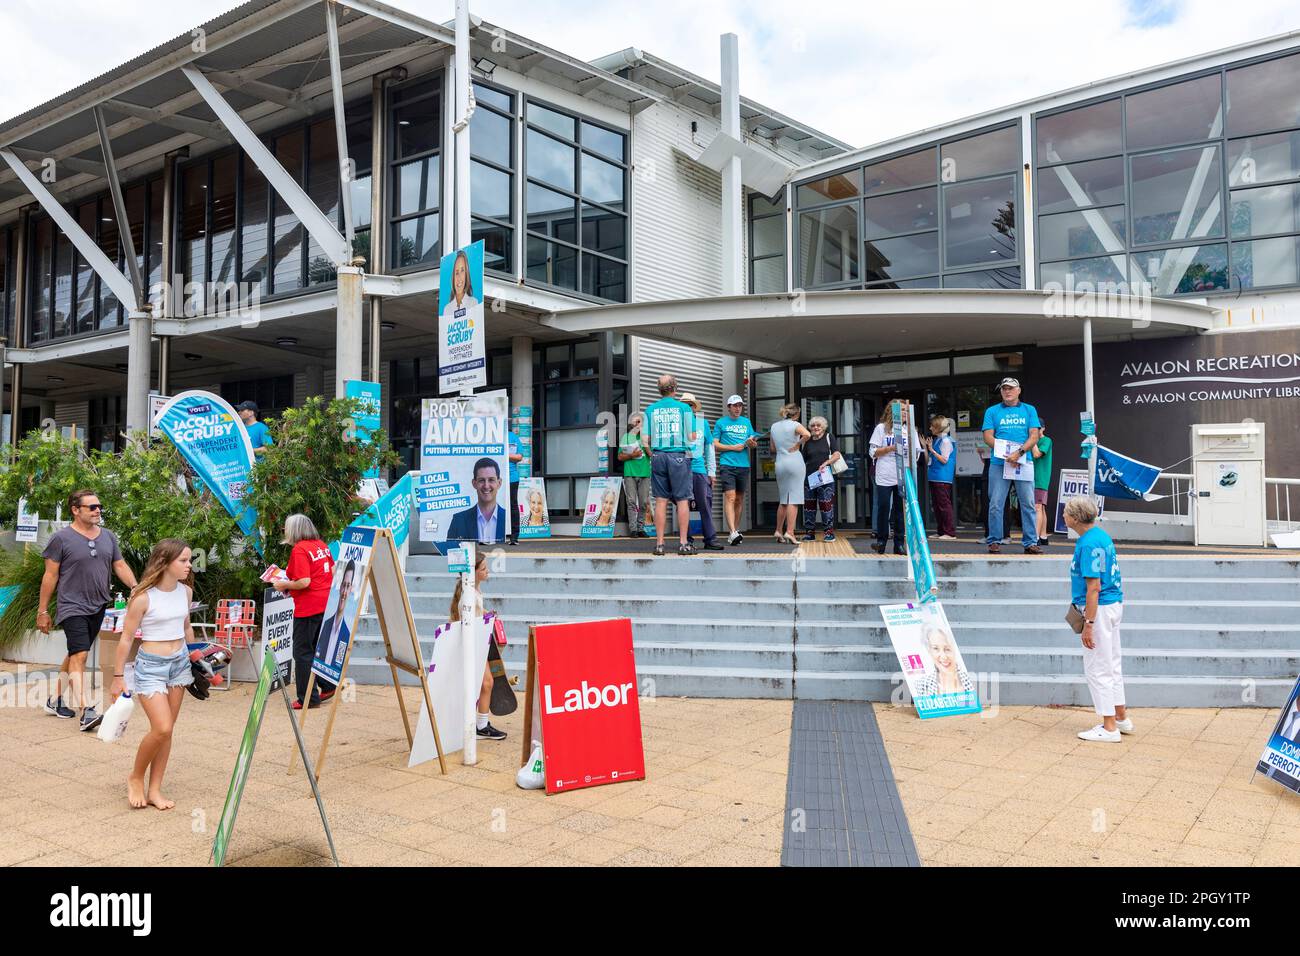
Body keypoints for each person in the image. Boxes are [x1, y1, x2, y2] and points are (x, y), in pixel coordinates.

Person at [39, 489, 137, 731]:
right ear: (75, 510)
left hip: (98, 604)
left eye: (99, 506)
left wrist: (135, 585)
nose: (97, 511)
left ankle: (55, 700)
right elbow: (50, 576)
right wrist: (42, 611)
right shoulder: (61, 539)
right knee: (81, 655)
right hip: (72, 605)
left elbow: (119, 564)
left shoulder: (108, 537)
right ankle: (86, 711)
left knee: (76, 652)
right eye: (92, 507)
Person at [109, 539, 196, 810]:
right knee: (162, 727)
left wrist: (197, 658)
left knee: (167, 733)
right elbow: (125, 639)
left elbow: (186, 627)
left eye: (189, 560)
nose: (189, 565)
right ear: (165, 562)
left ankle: (155, 789)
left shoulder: (186, 592)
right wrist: (118, 677)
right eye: (183, 560)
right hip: (151, 667)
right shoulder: (142, 597)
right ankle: (136, 776)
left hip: (180, 664)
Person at [1064, 496, 1132, 743]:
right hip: (1112, 604)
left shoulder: (1087, 544)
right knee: (1112, 663)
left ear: (1075, 518)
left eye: (1066, 512)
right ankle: (1120, 715)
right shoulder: (1100, 537)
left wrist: (1088, 624)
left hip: (1098, 609)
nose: (1063, 516)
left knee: (1097, 667)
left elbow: (1093, 586)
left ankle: (1109, 726)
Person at [273, 514, 336, 710]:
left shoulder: (300, 550)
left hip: (308, 607)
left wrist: (283, 584)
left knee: (302, 653)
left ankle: (307, 698)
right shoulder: (320, 545)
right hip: (325, 603)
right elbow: (332, 571)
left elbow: (304, 582)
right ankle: (326, 686)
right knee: (317, 648)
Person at [449, 550, 507, 741]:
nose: (487, 571)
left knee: (484, 683)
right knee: (486, 682)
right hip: (474, 643)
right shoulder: (469, 594)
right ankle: (480, 726)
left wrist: (486, 614)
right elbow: (470, 619)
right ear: (473, 573)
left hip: (478, 642)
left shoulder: (472, 591)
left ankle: (479, 724)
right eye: (483, 568)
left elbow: (475, 613)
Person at [983, 377, 1041, 555]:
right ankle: (994, 540)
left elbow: (1034, 435)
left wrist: (1019, 453)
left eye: (1011, 388)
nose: (1007, 391)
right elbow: (987, 436)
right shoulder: (992, 411)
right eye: (1004, 389)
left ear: (1018, 390)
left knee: (1028, 504)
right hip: (999, 463)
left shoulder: (1029, 410)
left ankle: (1030, 542)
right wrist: (1006, 454)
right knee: (995, 504)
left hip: (1023, 462)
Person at [644, 374, 697, 556]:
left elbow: (645, 439)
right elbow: (692, 437)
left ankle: (659, 544)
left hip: (658, 456)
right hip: (678, 456)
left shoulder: (650, 410)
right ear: (675, 387)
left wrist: (653, 454)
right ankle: (683, 543)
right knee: (682, 500)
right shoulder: (684, 408)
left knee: (660, 500)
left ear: (659, 390)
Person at [868, 404, 917, 556]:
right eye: (901, 410)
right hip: (884, 475)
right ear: (892, 411)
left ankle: (899, 544)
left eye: (906, 411)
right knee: (883, 507)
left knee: (899, 510)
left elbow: (916, 454)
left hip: (902, 475)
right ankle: (881, 541)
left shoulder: (910, 430)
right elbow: (872, 452)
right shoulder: (881, 428)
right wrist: (890, 448)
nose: (904, 414)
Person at [680, 392, 723, 551]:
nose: (687, 407)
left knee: (705, 504)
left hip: (699, 469)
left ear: (694, 407)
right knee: (682, 504)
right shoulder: (677, 423)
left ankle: (710, 539)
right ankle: (687, 540)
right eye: (684, 404)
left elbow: (709, 448)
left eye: (690, 404)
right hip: (681, 469)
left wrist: (712, 472)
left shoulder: (702, 422)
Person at [714, 394, 758, 546]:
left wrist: (752, 444)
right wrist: (732, 447)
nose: (738, 408)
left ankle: (735, 531)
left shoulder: (746, 422)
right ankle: (732, 531)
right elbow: (715, 444)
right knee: (730, 497)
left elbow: (752, 440)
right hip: (727, 464)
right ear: (729, 407)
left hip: (743, 465)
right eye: (735, 405)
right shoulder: (721, 422)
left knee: (739, 499)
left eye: (740, 405)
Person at [768, 404, 809, 544]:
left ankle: (778, 530)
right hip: (794, 461)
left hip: (780, 463)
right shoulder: (795, 425)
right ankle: (790, 532)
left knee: (784, 499)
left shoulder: (774, 426)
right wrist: (798, 444)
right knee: (794, 499)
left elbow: (772, 448)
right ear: (796, 414)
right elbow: (807, 434)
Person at [446, 458, 507, 545]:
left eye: (491, 480)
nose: (486, 486)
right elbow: (450, 553)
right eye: (481, 480)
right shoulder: (458, 520)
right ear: (474, 483)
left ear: (499, 483)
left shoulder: (508, 519)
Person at [801, 415, 842, 543]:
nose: (816, 427)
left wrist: (826, 463)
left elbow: (837, 454)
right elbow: (803, 460)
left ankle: (828, 532)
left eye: (818, 425)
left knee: (826, 505)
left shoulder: (829, 437)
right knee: (809, 506)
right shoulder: (807, 441)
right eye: (813, 425)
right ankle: (810, 533)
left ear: (823, 426)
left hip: (826, 478)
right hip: (809, 478)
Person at [316, 559, 356, 675]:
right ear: (340, 587)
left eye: (348, 586)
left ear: (350, 590)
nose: (344, 592)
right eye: (344, 585)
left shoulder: (346, 634)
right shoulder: (326, 625)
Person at [924, 415, 957, 540]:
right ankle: (941, 531)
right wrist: (927, 448)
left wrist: (931, 450)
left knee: (944, 505)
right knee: (937, 506)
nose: (930, 428)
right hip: (935, 476)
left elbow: (944, 460)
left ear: (938, 427)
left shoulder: (946, 441)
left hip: (942, 477)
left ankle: (949, 532)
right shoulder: (939, 439)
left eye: (933, 425)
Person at [619, 412, 652, 537]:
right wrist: (631, 455)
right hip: (630, 473)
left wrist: (645, 442)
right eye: (634, 422)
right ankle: (633, 529)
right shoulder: (626, 437)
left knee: (643, 502)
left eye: (639, 421)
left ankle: (641, 528)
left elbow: (650, 455)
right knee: (631, 501)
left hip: (644, 473)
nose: (637, 424)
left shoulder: (647, 437)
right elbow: (620, 456)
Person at [916, 626, 973, 697]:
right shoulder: (922, 685)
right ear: (929, 651)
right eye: (936, 648)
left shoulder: (969, 680)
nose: (943, 656)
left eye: (947, 649)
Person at [441, 249, 479, 322]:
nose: (459, 277)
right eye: (456, 272)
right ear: (453, 277)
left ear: (466, 274)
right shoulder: (447, 309)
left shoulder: (474, 303)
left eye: (462, 271)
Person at [1032, 419, 1054, 546]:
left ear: (1043, 428)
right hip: (1036, 478)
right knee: (1041, 507)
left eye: (1038, 429)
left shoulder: (1046, 440)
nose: (1036, 431)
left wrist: (1032, 440)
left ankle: (1034, 538)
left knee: (1037, 507)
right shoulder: (1038, 440)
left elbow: (1037, 454)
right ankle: (1043, 536)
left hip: (1040, 478)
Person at [506, 429, 524, 546]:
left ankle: (514, 537)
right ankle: (490, 537)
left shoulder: (513, 437)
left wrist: (504, 455)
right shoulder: (491, 435)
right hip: (493, 479)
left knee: (513, 505)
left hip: (512, 477)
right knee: (490, 506)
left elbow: (519, 457)